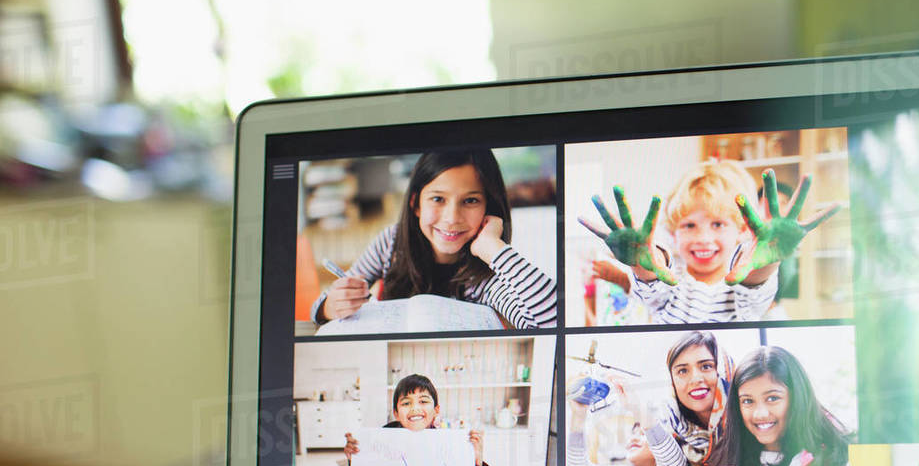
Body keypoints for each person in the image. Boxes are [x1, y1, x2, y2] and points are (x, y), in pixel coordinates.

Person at [313, 149, 556, 329]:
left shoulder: (485, 277)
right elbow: (320, 306)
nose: (451, 218)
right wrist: (330, 306)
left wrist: (494, 249)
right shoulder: (391, 242)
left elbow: (551, 321)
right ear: (415, 204)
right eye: (438, 199)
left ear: (488, 208)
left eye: (470, 200)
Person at [580, 162, 839, 324]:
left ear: (741, 230)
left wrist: (769, 260)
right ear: (673, 232)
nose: (703, 238)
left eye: (718, 224)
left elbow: (752, 287)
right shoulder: (671, 289)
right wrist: (639, 263)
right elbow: (654, 284)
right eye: (689, 225)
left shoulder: (740, 292)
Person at [716, 346, 851, 466]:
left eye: (772, 398)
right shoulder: (727, 465)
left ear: (797, 399)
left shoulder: (835, 461)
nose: (760, 414)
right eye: (748, 401)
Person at [344, 374, 488, 466]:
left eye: (423, 401)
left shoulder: (448, 446)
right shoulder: (381, 441)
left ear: (436, 410)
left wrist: (477, 460)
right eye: (406, 403)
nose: (414, 408)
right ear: (396, 412)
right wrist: (355, 461)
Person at [643, 331, 735, 466]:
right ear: (672, 382)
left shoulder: (746, 419)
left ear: (722, 372)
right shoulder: (673, 426)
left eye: (706, 366)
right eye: (683, 371)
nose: (695, 379)